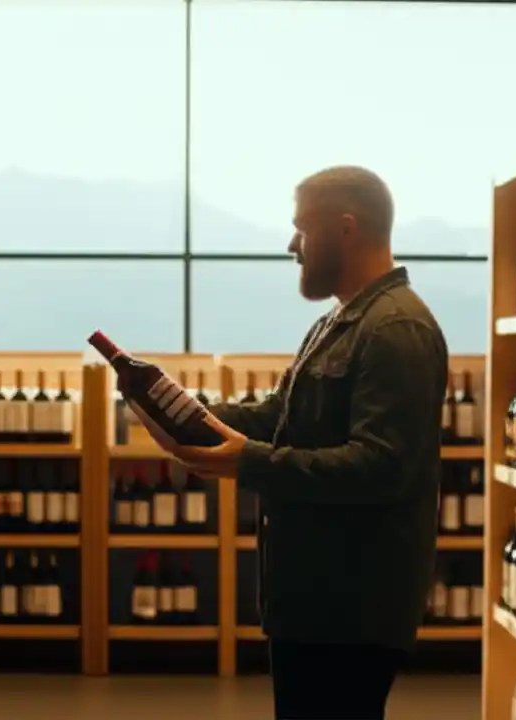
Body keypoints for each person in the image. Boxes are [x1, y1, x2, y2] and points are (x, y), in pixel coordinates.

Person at [146, 166, 448, 719]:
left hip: (351, 610)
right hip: (314, 604)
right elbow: (276, 415)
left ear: (346, 229)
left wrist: (248, 463)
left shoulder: (395, 330)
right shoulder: (338, 323)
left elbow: (381, 467)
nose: (292, 245)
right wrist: (186, 416)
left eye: (302, 229)